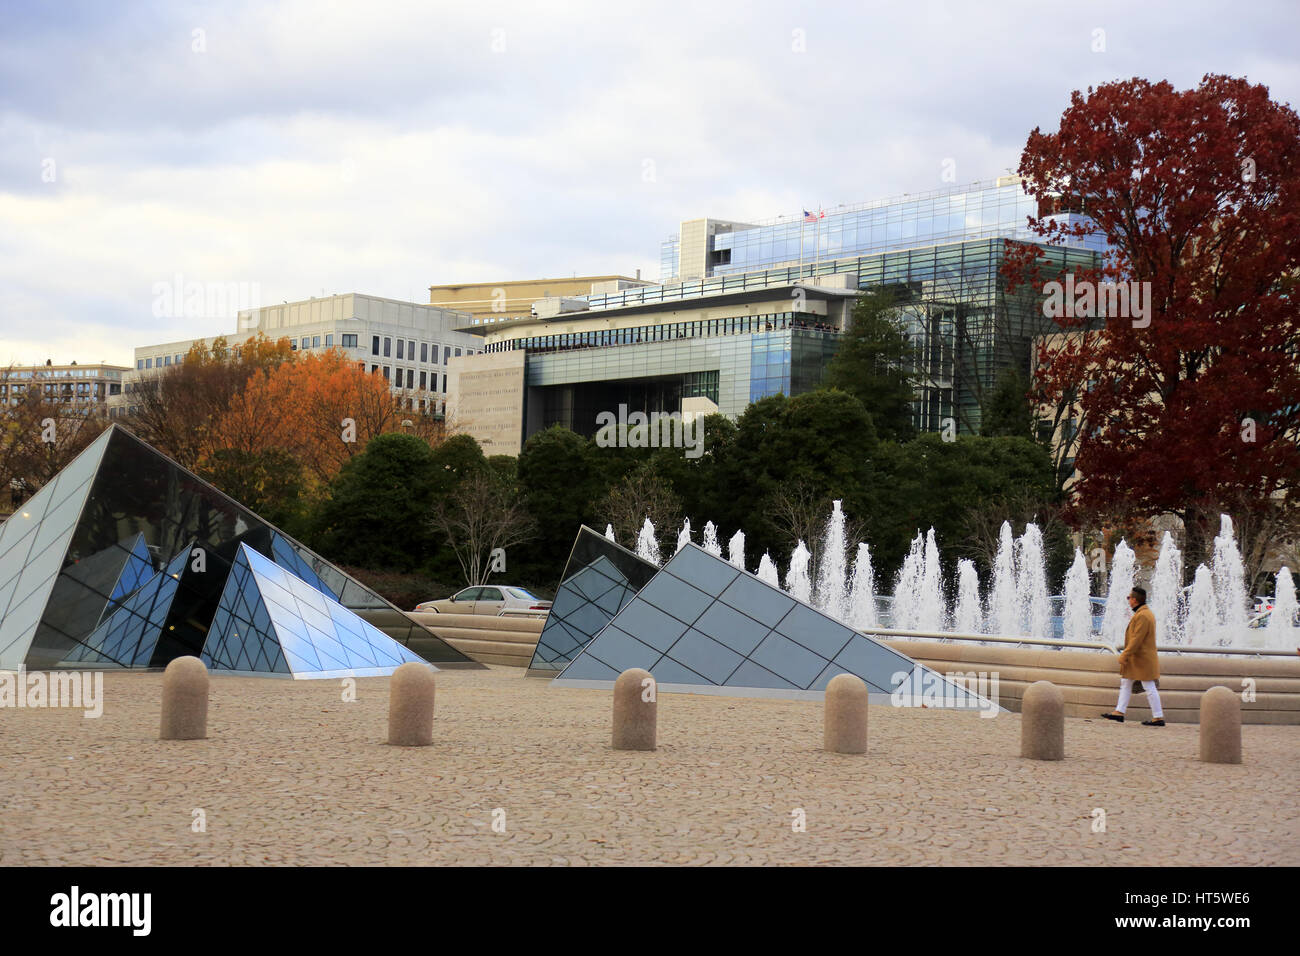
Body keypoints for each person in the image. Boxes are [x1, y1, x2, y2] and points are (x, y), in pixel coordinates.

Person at [1103, 586, 1165, 726]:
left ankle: (1158, 717)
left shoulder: (1143, 615)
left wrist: (1125, 654)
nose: (1128, 600)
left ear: (1135, 600)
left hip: (1141, 658)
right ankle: (1119, 712)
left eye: (1129, 598)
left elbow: (1137, 638)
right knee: (1126, 682)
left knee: (1149, 686)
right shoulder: (1144, 613)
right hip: (1139, 658)